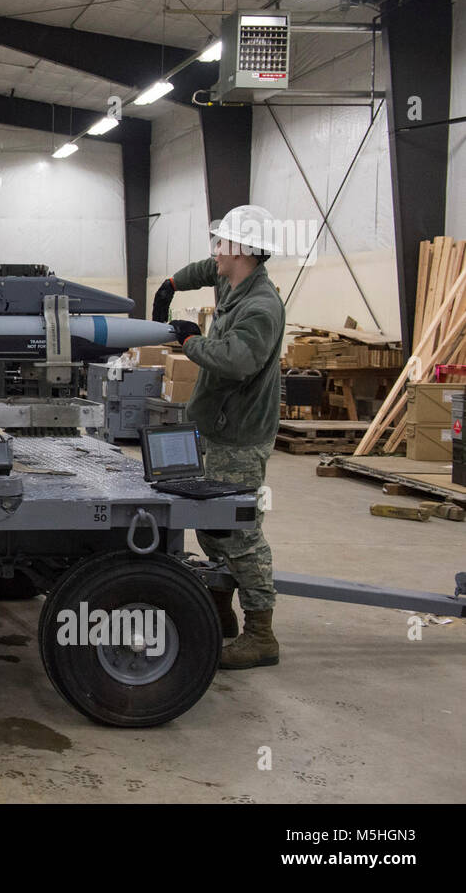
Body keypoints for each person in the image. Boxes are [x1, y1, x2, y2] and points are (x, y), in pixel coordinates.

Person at [152, 205, 285, 670]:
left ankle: (260, 634)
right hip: (215, 425)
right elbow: (205, 269)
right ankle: (220, 609)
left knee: (240, 530)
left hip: (239, 435)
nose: (215, 251)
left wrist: (189, 342)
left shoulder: (260, 307)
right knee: (211, 524)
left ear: (243, 251)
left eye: (222, 243)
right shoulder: (233, 278)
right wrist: (171, 283)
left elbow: (235, 360)